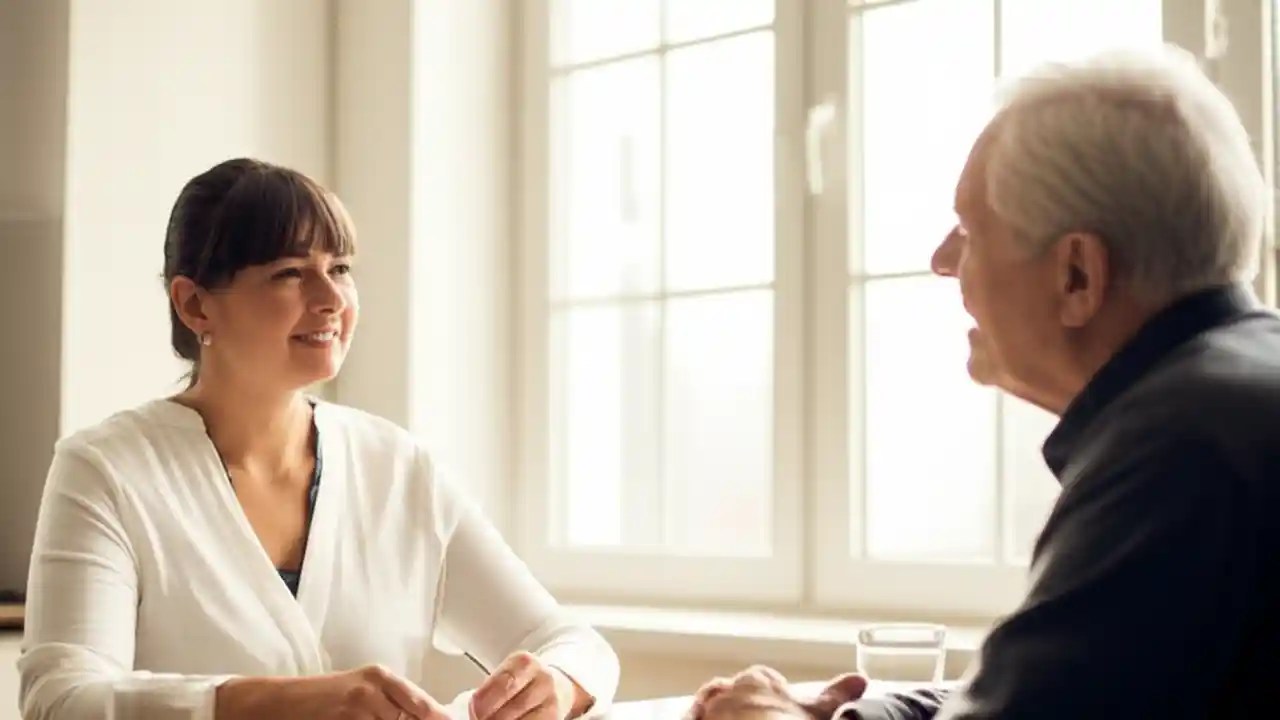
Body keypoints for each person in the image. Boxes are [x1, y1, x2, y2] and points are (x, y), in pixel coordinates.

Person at [689, 44, 1280, 720]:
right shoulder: (1233, 398)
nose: (942, 261)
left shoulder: (1177, 451)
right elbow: (1067, 694)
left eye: (969, 230)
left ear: (1077, 275)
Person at [18, 159, 619, 720]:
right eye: (289, 273)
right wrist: (277, 702)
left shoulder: (398, 467)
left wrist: (557, 682)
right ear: (195, 304)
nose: (331, 300)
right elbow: (61, 696)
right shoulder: (105, 469)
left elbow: (574, 643)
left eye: (340, 269)